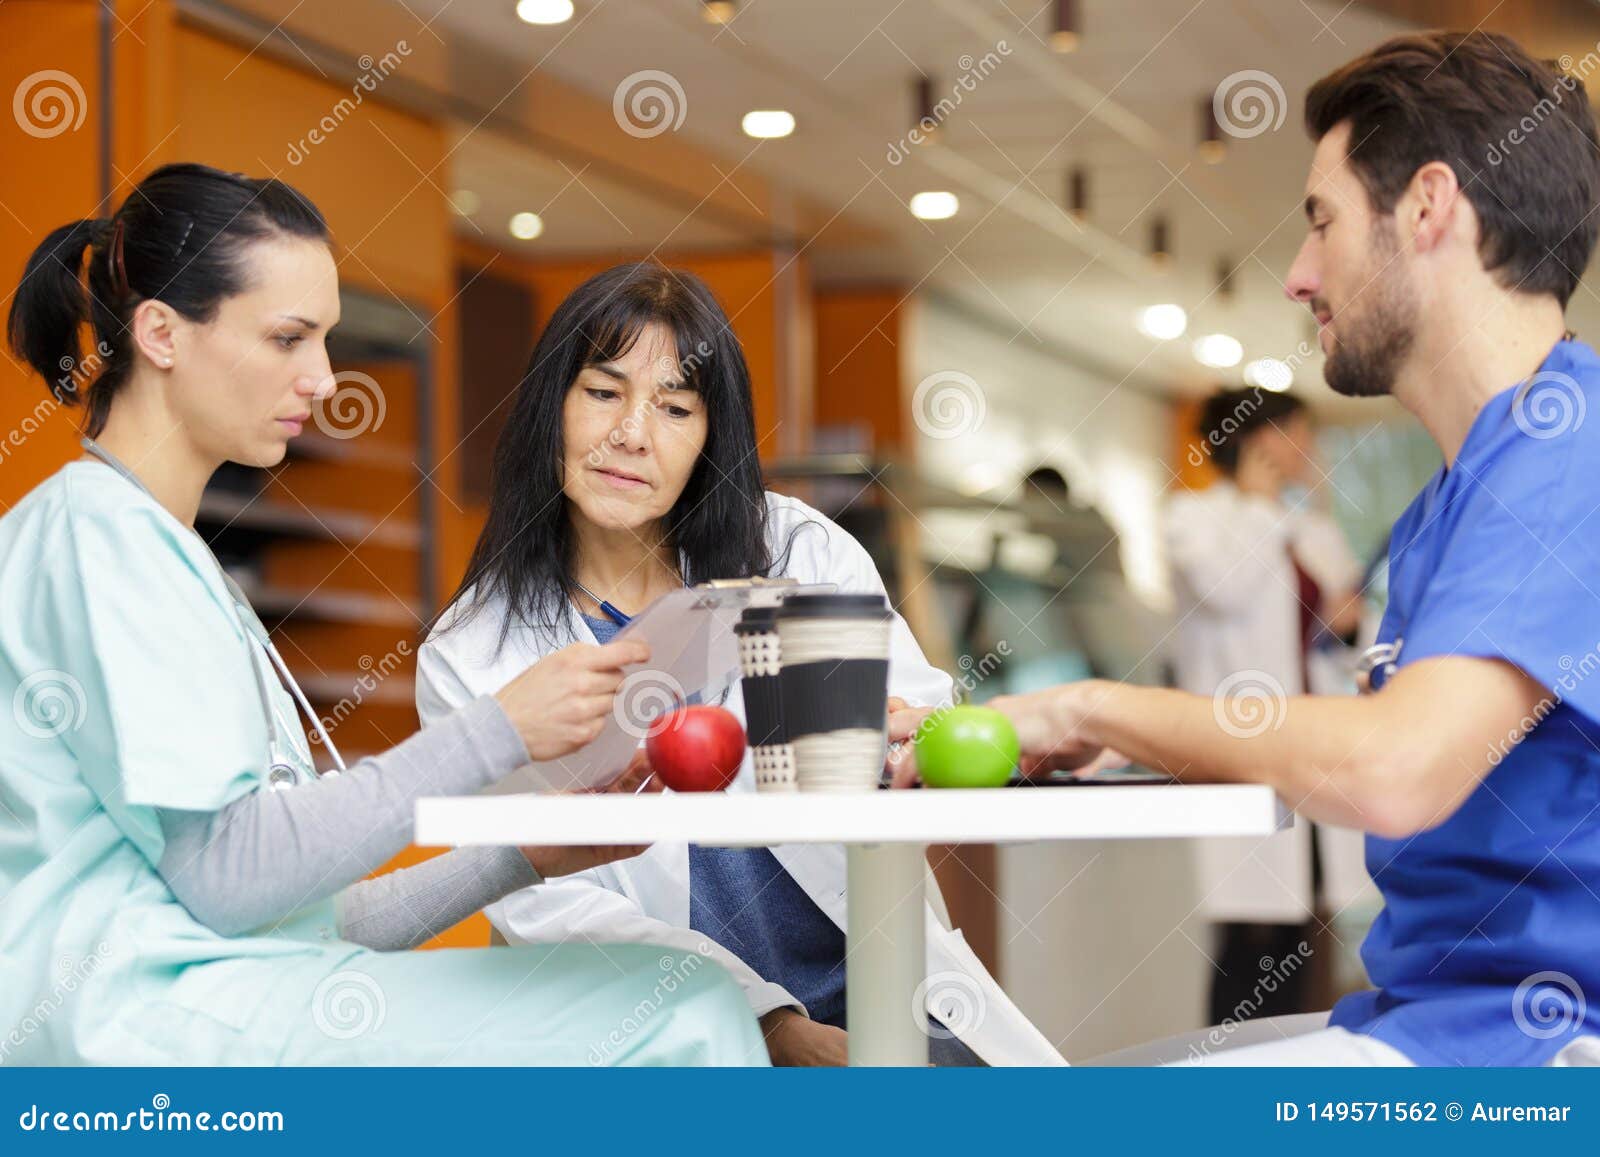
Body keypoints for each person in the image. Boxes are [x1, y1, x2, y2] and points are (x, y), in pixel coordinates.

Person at [896, 30, 1600, 1066]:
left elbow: (1396, 770)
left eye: (1321, 222)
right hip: (1432, 1024)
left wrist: (1090, 704)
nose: (1297, 275)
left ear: (1428, 207)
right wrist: (1135, 736)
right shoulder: (1458, 497)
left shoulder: (1566, 455)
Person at [0, 163, 765, 1066]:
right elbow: (230, 883)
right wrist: (497, 730)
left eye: (323, 340)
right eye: (288, 338)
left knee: (679, 998)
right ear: (162, 334)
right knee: (680, 1013)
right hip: (133, 1030)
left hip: (215, 997)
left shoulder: (163, 552)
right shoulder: (98, 536)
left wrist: (525, 854)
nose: (324, 377)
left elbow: (297, 921)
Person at [417, 262, 1062, 1066]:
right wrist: (769, 1023)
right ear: (553, 405)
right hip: (660, 1023)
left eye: (676, 407)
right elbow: (546, 902)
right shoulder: (474, 651)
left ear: (709, 437)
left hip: (880, 978)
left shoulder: (798, 550)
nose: (633, 434)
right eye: (603, 391)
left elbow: (915, 717)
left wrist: (912, 742)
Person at [1167, 389, 1363, 1025]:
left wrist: (1348, 624)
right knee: (1250, 935)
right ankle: (1225, 1078)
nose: (1310, 447)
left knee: (1304, 927)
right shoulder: (1194, 516)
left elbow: (1345, 632)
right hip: (1241, 746)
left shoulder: (1312, 526)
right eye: (1298, 433)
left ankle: (1286, 1073)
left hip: (1311, 748)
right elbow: (1227, 590)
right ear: (1260, 441)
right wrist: (1257, 507)